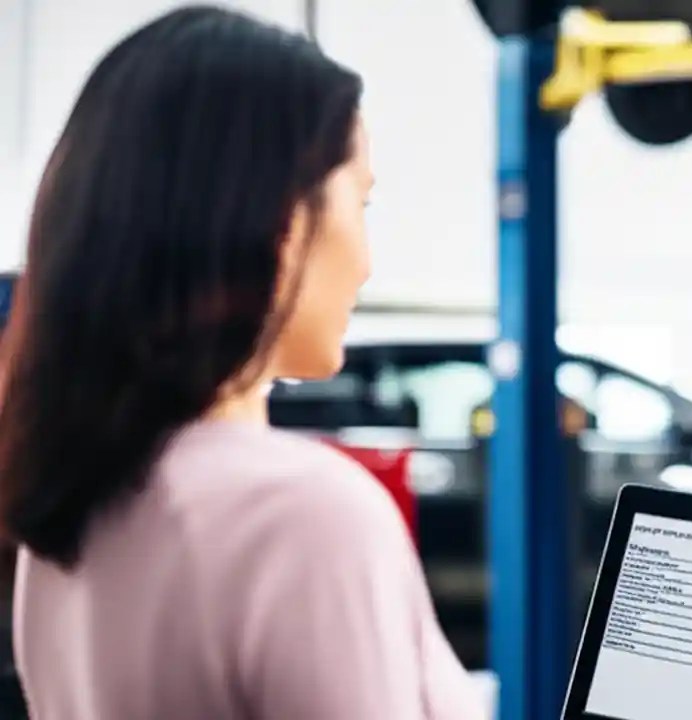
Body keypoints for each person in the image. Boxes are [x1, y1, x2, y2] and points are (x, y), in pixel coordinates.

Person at [0, 7, 482, 719]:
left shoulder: (60, 512)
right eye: (362, 203)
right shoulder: (303, 514)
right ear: (284, 224)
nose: (367, 263)